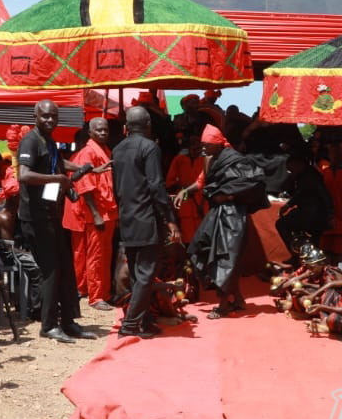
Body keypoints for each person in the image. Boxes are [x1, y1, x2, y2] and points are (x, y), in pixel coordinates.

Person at [16, 101, 99, 343]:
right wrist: (58, 179)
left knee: (65, 267)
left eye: (54, 116)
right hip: (35, 218)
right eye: (45, 116)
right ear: (36, 116)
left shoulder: (49, 142)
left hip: (51, 213)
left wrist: (87, 169)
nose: (50, 121)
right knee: (51, 270)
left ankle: (69, 321)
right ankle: (48, 325)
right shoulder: (30, 141)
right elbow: (24, 175)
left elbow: (60, 165)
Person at [112, 106, 181, 339]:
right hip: (147, 218)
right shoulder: (150, 147)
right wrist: (170, 220)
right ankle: (130, 325)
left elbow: (116, 187)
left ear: (127, 126)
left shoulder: (118, 148)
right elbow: (156, 187)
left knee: (136, 274)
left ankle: (143, 320)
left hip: (127, 217)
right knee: (146, 275)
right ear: (148, 123)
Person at [186, 124, 266, 318]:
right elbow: (202, 182)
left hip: (233, 215)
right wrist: (185, 191)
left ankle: (223, 305)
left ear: (218, 144)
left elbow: (253, 180)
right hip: (217, 212)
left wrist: (229, 196)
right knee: (202, 247)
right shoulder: (210, 159)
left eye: (206, 145)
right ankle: (237, 298)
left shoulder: (235, 160)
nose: (202, 148)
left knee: (226, 257)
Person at [67, 118, 117, 312]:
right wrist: (95, 214)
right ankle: (96, 297)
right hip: (96, 212)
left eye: (105, 130)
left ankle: (102, 293)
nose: (103, 133)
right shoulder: (88, 152)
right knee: (95, 255)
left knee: (104, 254)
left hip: (107, 210)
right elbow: (85, 186)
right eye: (99, 130)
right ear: (90, 132)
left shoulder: (105, 150)